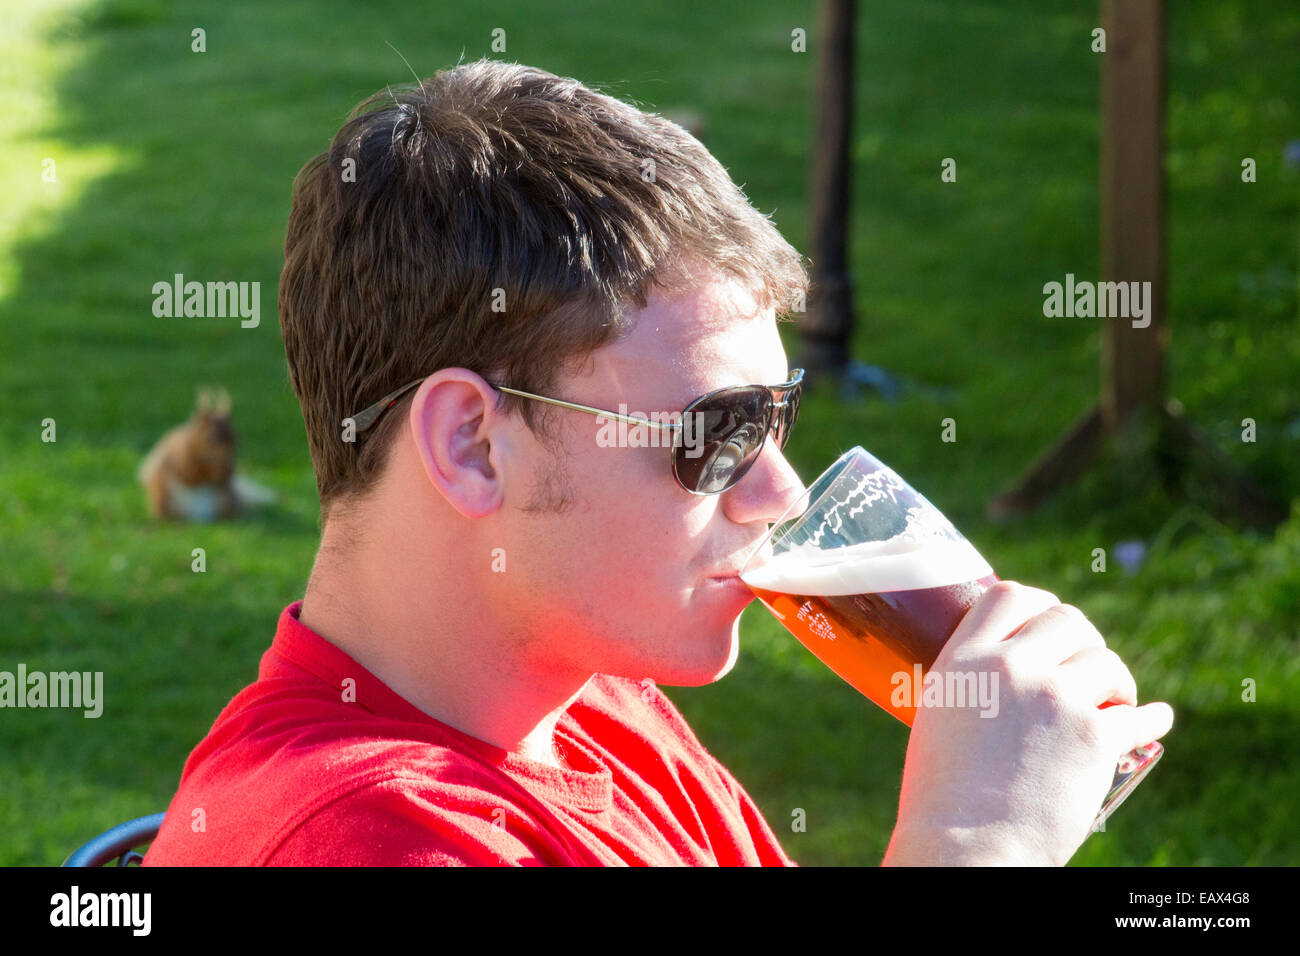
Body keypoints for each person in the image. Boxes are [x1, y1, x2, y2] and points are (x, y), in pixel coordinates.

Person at [144, 58, 1173, 866]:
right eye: (719, 432)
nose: (779, 490)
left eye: (779, 419)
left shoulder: (585, 702)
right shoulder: (364, 840)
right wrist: (973, 844)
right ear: (470, 442)